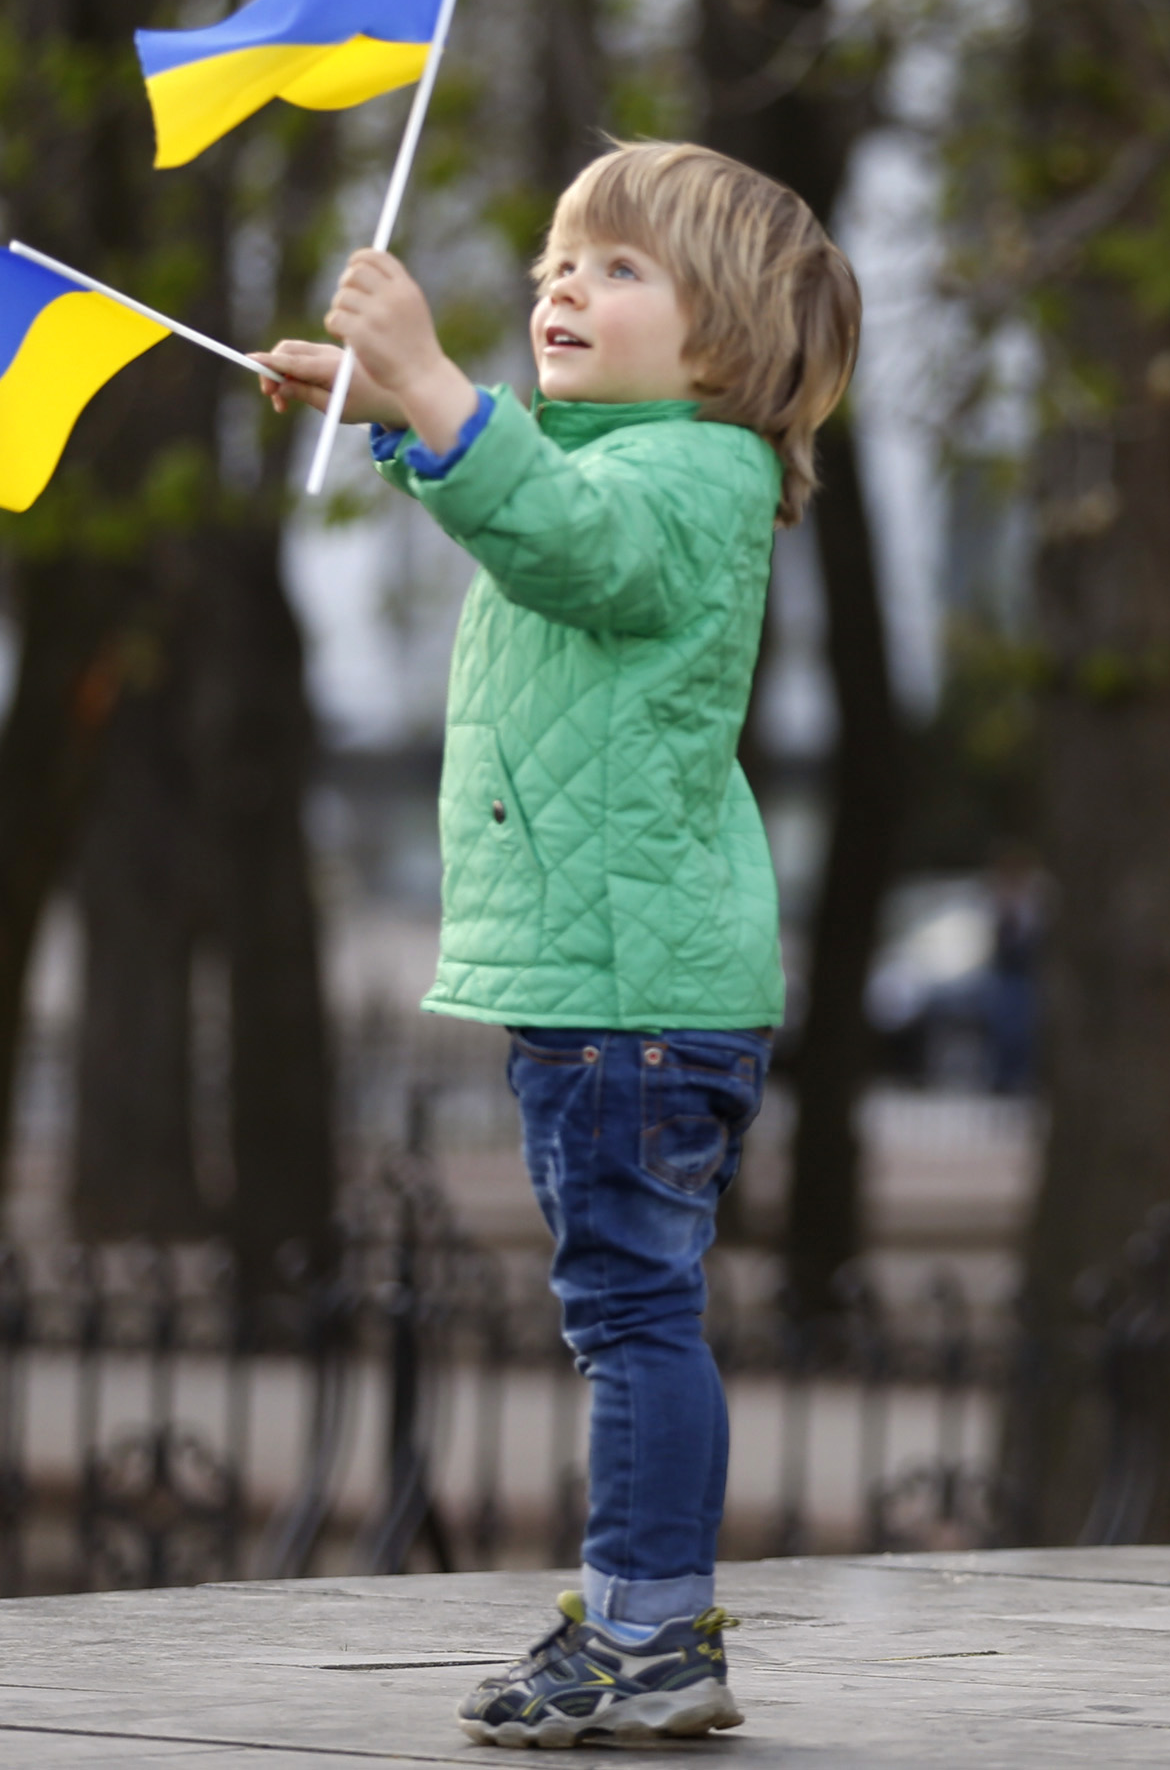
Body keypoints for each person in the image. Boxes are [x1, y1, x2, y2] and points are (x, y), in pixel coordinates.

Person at [262, 143, 860, 1745]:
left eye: (615, 269)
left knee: (632, 1316)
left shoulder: (695, 477)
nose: (561, 291)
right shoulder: (637, 463)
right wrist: (397, 405)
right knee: (630, 1309)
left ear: (725, 341)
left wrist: (431, 388)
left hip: (630, 996)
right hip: (618, 989)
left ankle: (650, 1633)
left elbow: (569, 536)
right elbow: (537, 504)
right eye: (554, 268)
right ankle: (644, 1623)